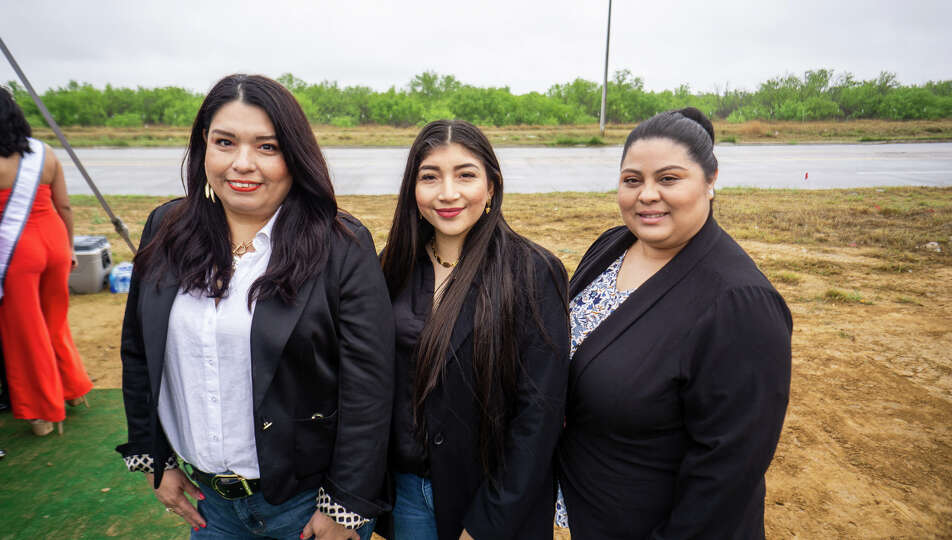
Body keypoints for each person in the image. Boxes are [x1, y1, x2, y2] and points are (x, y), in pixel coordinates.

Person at [116, 74, 394, 540]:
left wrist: (345, 504)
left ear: (295, 156)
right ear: (203, 146)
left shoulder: (340, 244)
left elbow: (370, 386)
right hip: (211, 507)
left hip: (306, 507)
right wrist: (155, 458)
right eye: (225, 142)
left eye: (267, 147)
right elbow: (139, 352)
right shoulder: (166, 227)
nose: (242, 164)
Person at [556, 107, 792, 539]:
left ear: (710, 179)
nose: (646, 195)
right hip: (595, 515)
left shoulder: (739, 304)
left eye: (668, 179)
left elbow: (726, 473)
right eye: (632, 180)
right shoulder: (613, 245)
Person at [372, 119, 569, 540]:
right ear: (412, 189)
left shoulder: (533, 272)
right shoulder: (393, 265)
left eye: (465, 175)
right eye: (430, 177)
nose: (448, 193)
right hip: (410, 496)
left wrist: (487, 523)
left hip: (492, 502)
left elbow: (540, 414)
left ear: (492, 185)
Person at [0, 84, 91, 435]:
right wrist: (68, 248)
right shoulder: (45, 153)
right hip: (53, 242)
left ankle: (43, 413)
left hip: (17, 251)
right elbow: (64, 206)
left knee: (26, 334)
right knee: (55, 322)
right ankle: (73, 390)